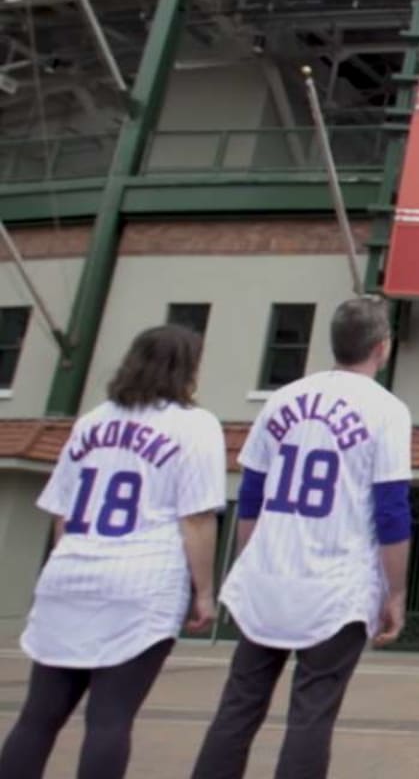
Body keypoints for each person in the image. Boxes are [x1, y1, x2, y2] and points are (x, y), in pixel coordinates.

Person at [191, 295, 412, 779]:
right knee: (311, 717)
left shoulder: (282, 398)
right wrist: (395, 591)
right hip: (336, 584)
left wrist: (250, 561)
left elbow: (250, 494)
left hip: (269, 577)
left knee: (238, 709)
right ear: (383, 347)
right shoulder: (387, 410)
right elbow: (392, 509)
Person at [0, 325, 224, 779]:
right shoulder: (195, 425)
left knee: (38, 718)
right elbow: (197, 518)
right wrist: (204, 591)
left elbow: (61, 512)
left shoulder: (93, 421)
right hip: (141, 579)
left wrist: (77, 563)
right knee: (110, 718)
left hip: (71, 571)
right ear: (187, 369)